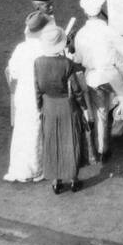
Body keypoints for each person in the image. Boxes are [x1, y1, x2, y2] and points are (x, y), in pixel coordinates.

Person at [72, 0, 123, 163]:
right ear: (100, 13)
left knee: (101, 113)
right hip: (110, 75)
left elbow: (77, 59)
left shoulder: (81, 34)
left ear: (86, 14)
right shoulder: (108, 30)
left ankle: (102, 150)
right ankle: (117, 128)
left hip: (92, 77)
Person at [34, 24, 84, 194]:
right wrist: (83, 107)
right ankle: (74, 179)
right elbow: (76, 89)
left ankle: (56, 181)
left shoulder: (38, 62)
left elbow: (37, 89)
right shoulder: (67, 63)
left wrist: (40, 107)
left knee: (52, 142)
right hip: (66, 106)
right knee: (71, 140)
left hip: (49, 105)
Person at [4, 11, 51, 182]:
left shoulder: (21, 48)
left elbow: (12, 72)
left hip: (22, 94)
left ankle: (20, 168)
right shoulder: (44, 49)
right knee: (35, 132)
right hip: (37, 95)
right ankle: (36, 169)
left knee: (21, 132)